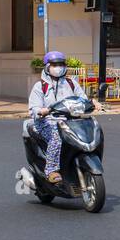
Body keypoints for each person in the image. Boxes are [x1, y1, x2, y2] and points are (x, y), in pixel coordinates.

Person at [27, 51, 84, 184]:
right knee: (57, 137)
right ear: (47, 67)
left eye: (61, 64)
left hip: (69, 121)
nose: (58, 67)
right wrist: (41, 111)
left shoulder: (71, 83)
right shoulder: (40, 86)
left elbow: (82, 98)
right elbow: (34, 108)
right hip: (46, 122)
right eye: (54, 64)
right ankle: (51, 170)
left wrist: (93, 103)